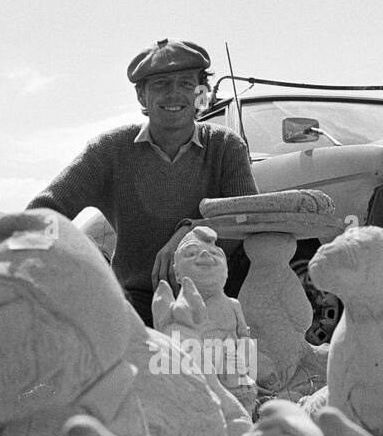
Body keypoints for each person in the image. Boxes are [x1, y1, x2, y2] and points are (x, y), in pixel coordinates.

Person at [26, 39, 257, 324]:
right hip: (139, 300)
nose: (174, 95)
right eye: (161, 84)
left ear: (201, 94)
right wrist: (80, 260)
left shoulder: (226, 146)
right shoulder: (110, 149)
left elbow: (249, 220)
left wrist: (191, 233)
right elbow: (43, 212)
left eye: (186, 84)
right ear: (141, 96)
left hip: (217, 300)